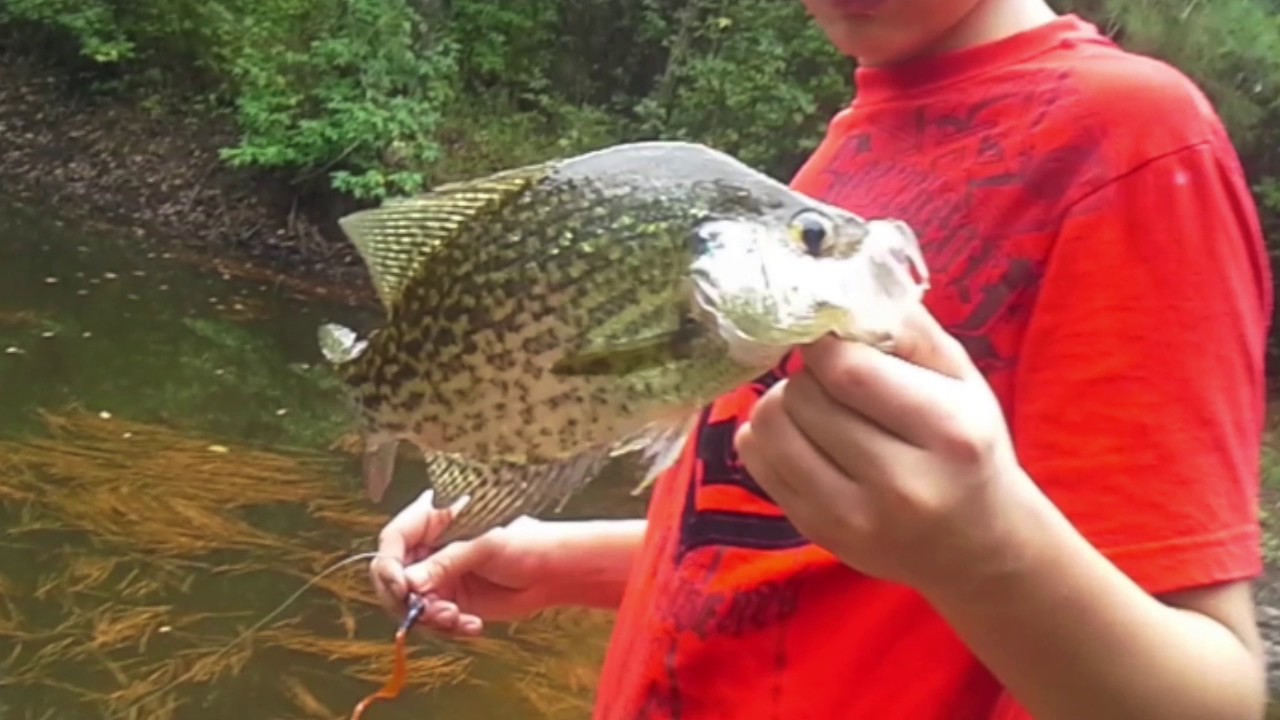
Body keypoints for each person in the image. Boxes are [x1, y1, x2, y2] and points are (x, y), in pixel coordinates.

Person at [369, 0, 1275, 717]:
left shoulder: (1133, 143)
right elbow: (811, 543)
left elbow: (1212, 696)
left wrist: (989, 553)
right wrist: (568, 562)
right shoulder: (846, 156)